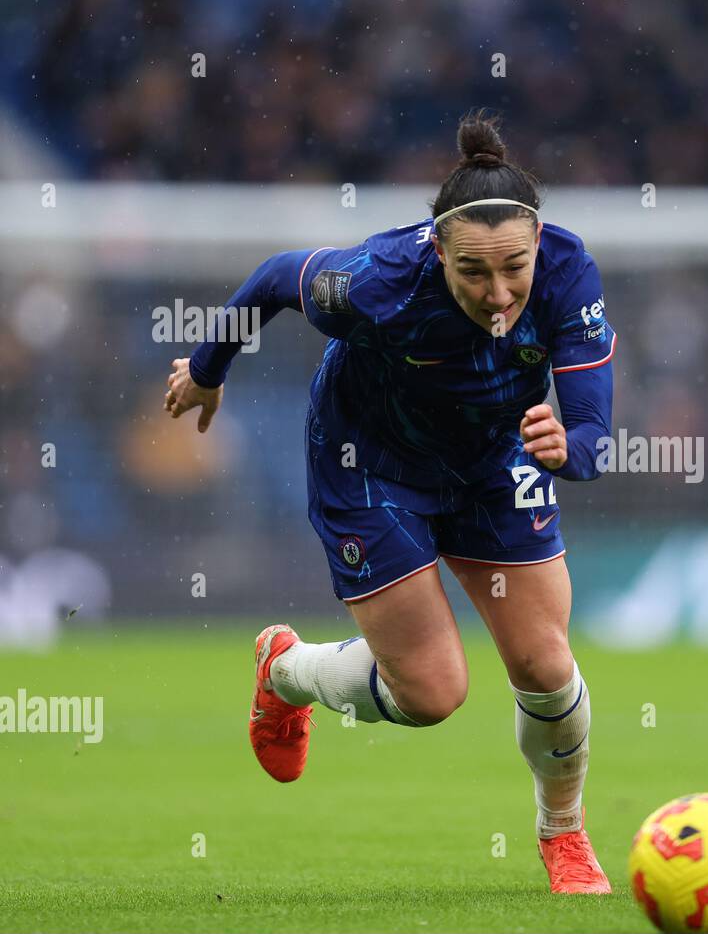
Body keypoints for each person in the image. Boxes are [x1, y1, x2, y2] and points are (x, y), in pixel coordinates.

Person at [164, 111, 617, 894]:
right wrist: (208, 371)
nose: (499, 292)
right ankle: (286, 671)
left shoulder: (570, 275)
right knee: (434, 693)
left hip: (493, 459)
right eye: (474, 272)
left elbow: (590, 437)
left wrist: (567, 448)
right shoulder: (376, 282)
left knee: (547, 666)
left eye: (515, 267)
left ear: (539, 245)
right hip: (368, 463)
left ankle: (564, 833)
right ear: (437, 251)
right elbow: (276, 277)